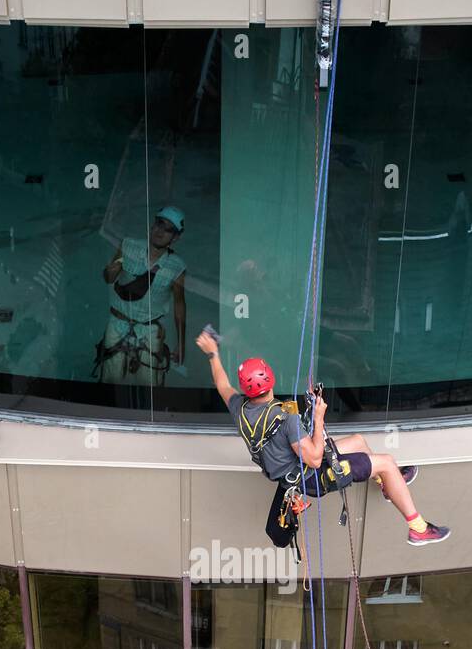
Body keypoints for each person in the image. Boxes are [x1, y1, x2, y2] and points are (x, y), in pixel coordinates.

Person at [196, 328, 450, 545]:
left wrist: (212, 354)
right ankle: (418, 528)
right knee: (387, 462)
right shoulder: (286, 418)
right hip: (313, 476)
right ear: (271, 382)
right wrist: (318, 417)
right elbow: (316, 458)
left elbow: (222, 384)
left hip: (295, 468)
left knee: (359, 441)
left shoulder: (240, 409)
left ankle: (386, 485)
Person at [94, 207, 188, 388]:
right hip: (118, 322)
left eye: (168, 229)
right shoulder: (128, 245)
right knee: (109, 382)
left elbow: (179, 306)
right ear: (152, 225)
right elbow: (109, 278)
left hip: (149, 329)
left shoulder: (177, 267)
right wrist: (109, 271)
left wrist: (181, 344)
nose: (161, 231)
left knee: (149, 386)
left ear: (175, 237)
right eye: (159, 224)